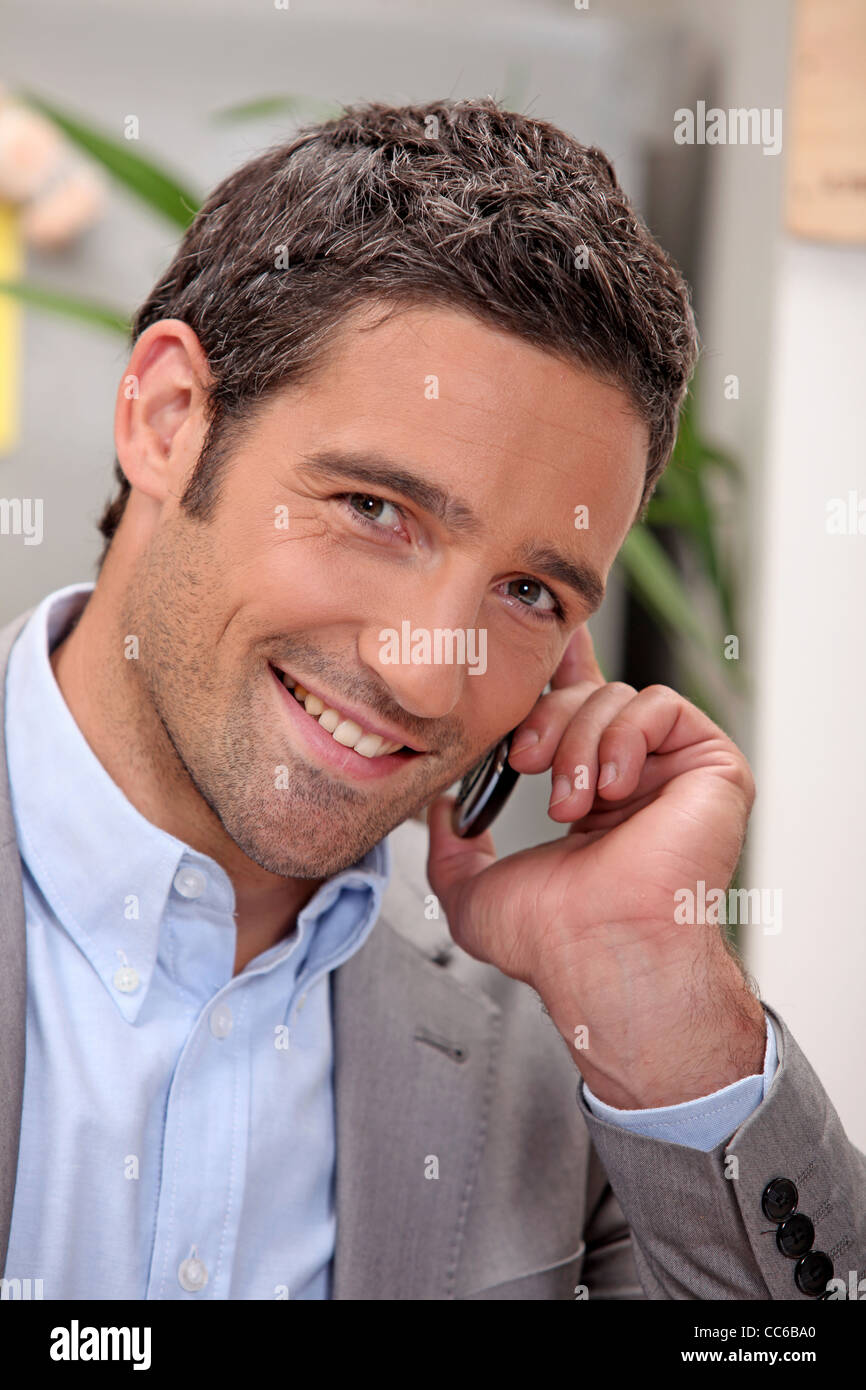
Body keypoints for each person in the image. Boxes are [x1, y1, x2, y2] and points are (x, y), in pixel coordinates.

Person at [0, 98, 862, 1302]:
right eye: (372, 509)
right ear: (168, 419)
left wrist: (661, 1008)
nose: (422, 673)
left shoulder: (573, 1054)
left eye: (527, 590)